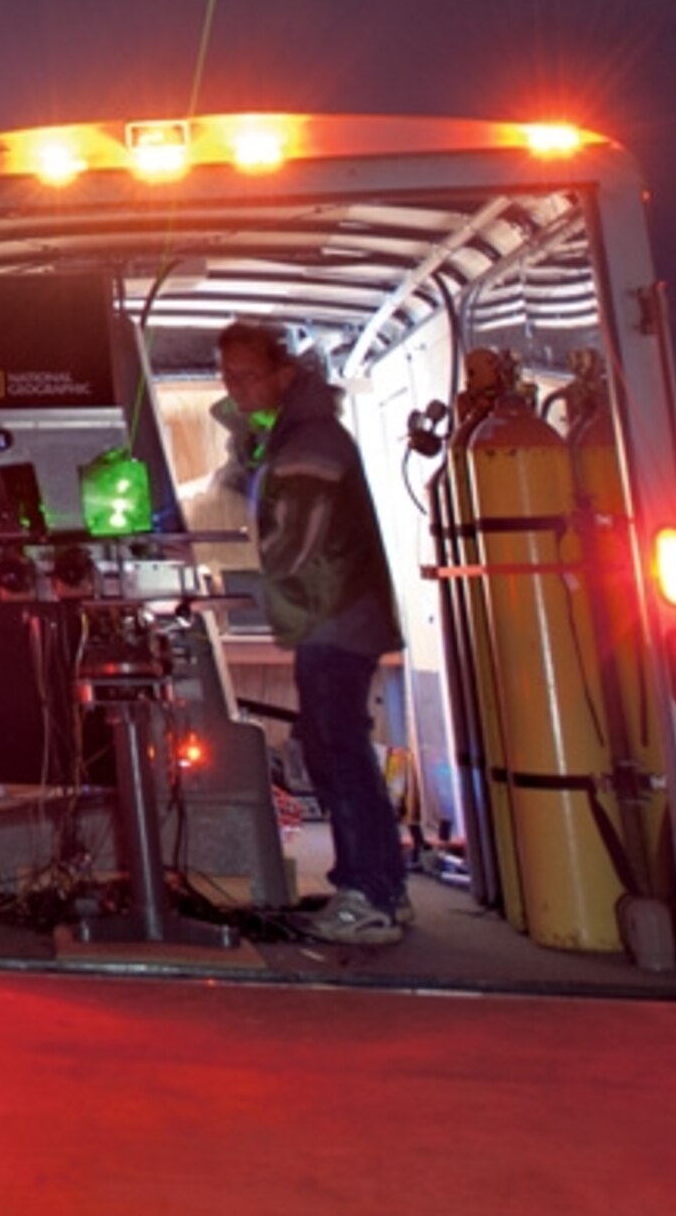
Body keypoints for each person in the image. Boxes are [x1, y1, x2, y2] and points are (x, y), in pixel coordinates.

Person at [214, 317, 408, 945]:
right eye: (226, 376)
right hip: (329, 615)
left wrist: (232, 571)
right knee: (331, 746)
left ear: (284, 374)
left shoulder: (310, 442)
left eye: (247, 376)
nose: (236, 389)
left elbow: (290, 544)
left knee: (337, 749)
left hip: (336, 616)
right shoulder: (290, 436)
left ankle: (371, 897)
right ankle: (376, 884)